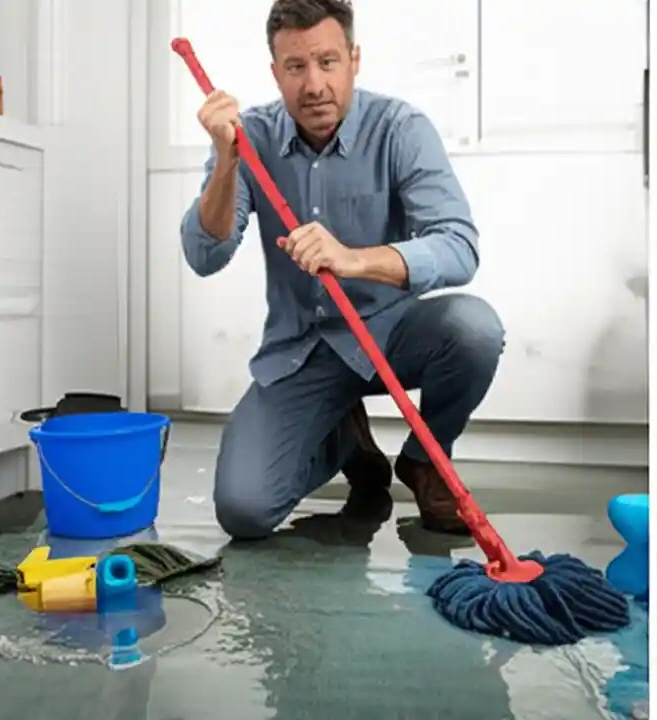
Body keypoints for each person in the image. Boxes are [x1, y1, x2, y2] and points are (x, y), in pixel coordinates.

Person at [179, 0, 503, 540]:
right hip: (301, 353)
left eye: (328, 62)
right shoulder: (247, 138)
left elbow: (459, 247)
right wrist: (226, 161)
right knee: (244, 511)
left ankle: (426, 458)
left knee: (473, 330)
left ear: (354, 59)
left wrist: (354, 259)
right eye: (296, 67)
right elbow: (205, 255)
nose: (313, 85)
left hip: (390, 338)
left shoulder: (401, 128)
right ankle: (344, 438)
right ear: (275, 72)